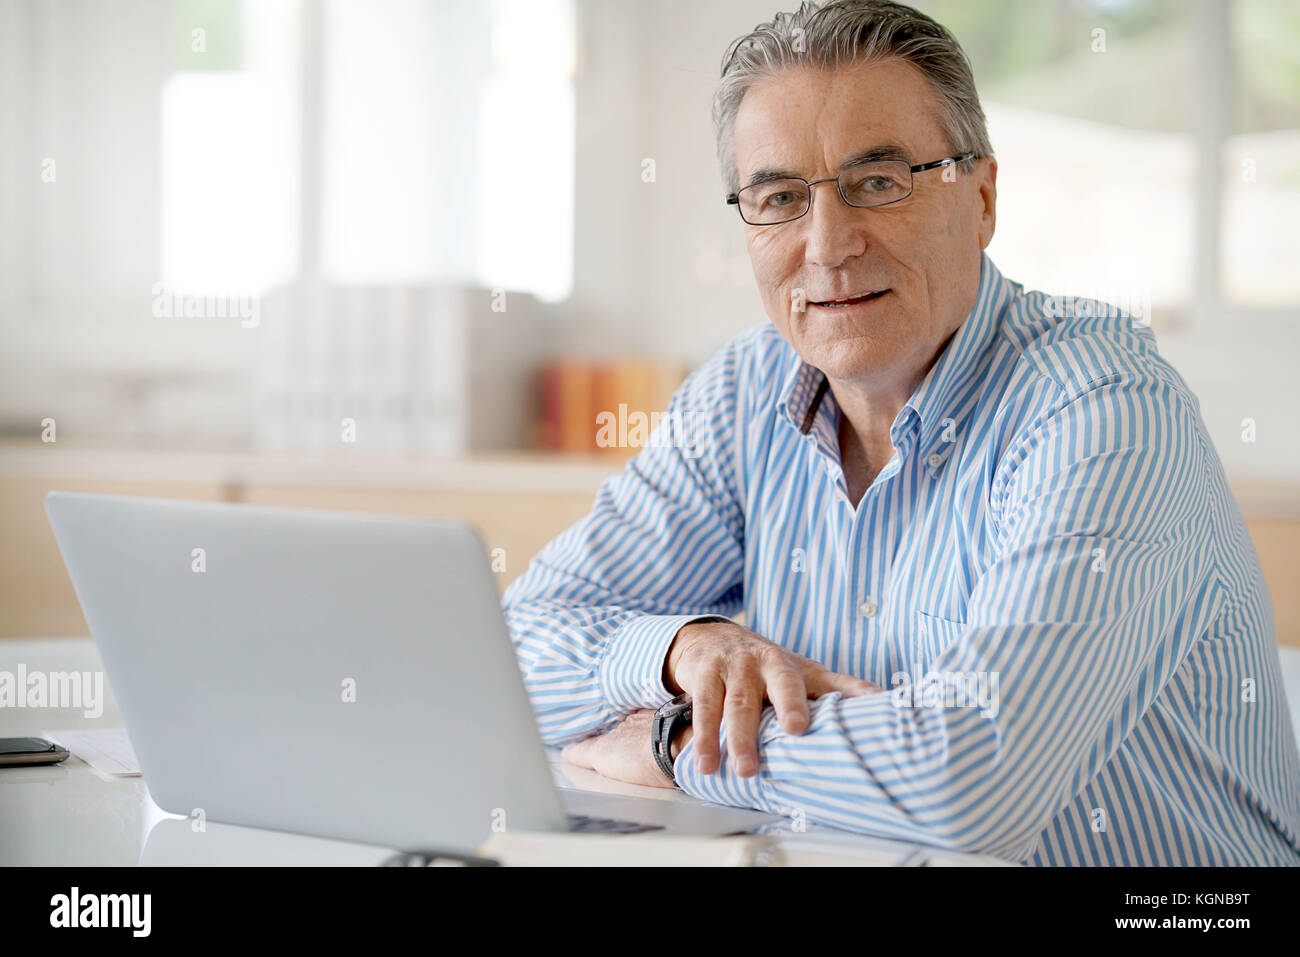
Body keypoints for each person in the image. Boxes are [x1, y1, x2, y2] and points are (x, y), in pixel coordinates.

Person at [502, 0, 1300, 865]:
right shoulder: (739, 394)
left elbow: (976, 783)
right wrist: (678, 652)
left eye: (879, 182)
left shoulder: (1105, 410)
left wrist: (674, 744)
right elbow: (509, 647)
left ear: (983, 198)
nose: (828, 243)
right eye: (778, 197)